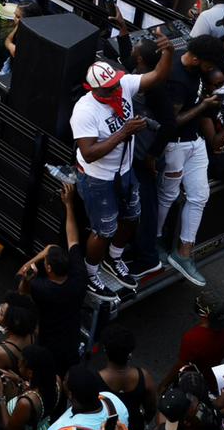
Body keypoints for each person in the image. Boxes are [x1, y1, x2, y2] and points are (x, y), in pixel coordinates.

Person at [69, 38, 173, 294]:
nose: (117, 89)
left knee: (131, 217)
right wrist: (124, 132)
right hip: (98, 179)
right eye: (110, 88)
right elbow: (89, 153)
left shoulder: (123, 84)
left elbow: (158, 75)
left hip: (125, 171)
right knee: (104, 230)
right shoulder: (84, 110)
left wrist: (168, 52)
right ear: (96, 90)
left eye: (117, 83)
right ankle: (91, 272)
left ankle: (113, 258)